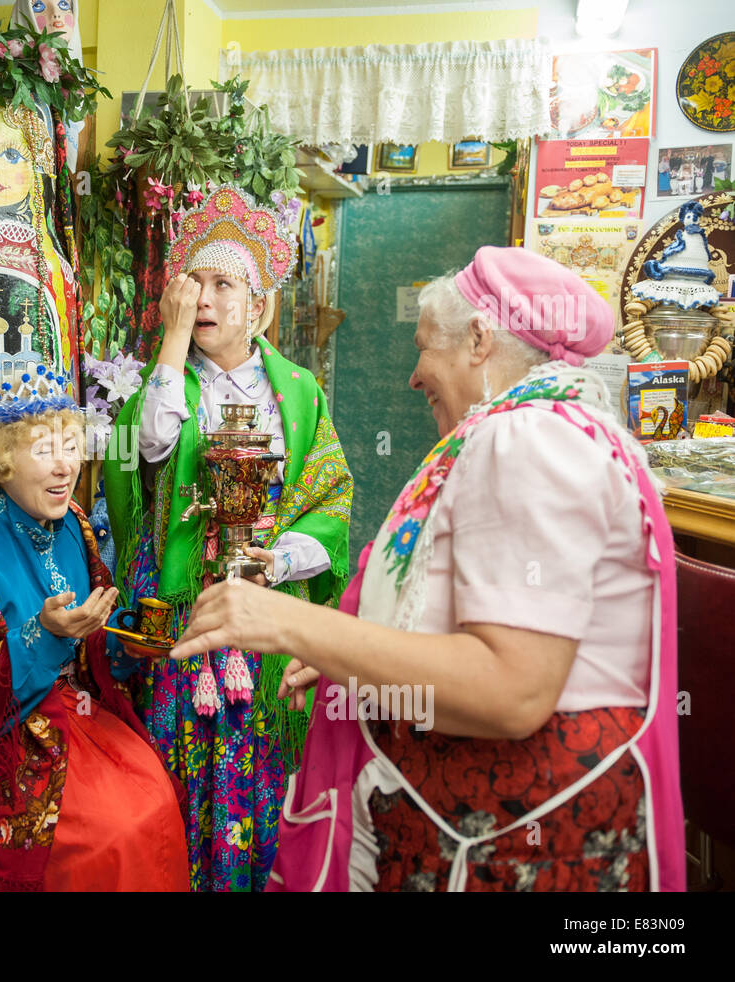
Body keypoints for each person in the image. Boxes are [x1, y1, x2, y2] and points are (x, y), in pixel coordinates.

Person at [172, 246, 685, 892]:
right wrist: (349, 655)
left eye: (423, 349)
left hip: (521, 846)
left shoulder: (526, 440)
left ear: (478, 340)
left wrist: (293, 625)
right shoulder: (547, 428)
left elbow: (512, 690)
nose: (414, 377)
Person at [103, 185, 352, 891]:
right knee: (178, 766)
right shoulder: (165, 384)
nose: (204, 298)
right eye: (193, 284)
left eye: (222, 285)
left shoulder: (299, 391)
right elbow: (148, 449)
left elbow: (332, 495)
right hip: (187, 614)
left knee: (260, 767)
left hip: (265, 610)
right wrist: (173, 340)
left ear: (258, 303)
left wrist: (285, 558)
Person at [0, 372, 188, 891]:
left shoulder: (73, 521)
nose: (65, 465)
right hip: (3, 732)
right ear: (1, 462)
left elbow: (94, 641)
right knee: (109, 833)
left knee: (156, 793)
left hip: (74, 708)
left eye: (71, 445)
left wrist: (120, 642)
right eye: (44, 449)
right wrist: (42, 635)